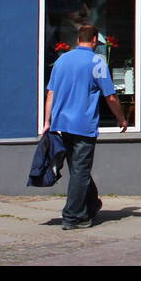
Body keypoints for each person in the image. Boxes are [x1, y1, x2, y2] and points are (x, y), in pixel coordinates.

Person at [42, 24, 129, 230]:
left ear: (77, 39)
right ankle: (72, 217)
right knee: (80, 170)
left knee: (77, 167)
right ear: (94, 41)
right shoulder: (97, 61)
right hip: (83, 124)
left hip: (62, 123)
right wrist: (122, 119)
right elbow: (110, 96)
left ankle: (91, 204)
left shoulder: (62, 59)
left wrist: (47, 121)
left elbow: (51, 94)